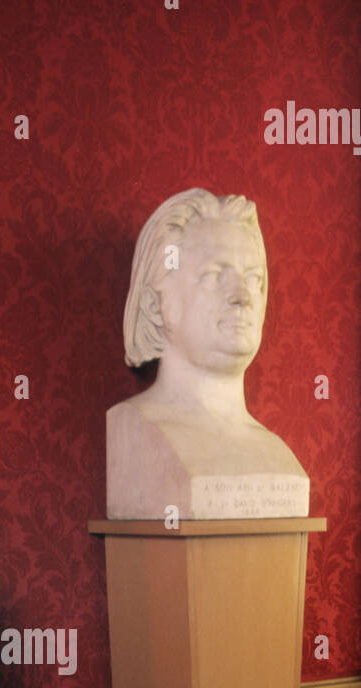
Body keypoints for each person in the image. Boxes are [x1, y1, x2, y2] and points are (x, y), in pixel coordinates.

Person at [107, 188, 309, 519]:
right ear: (156, 306)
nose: (243, 297)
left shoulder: (275, 453)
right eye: (215, 276)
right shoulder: (139, 430)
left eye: (253, 278)